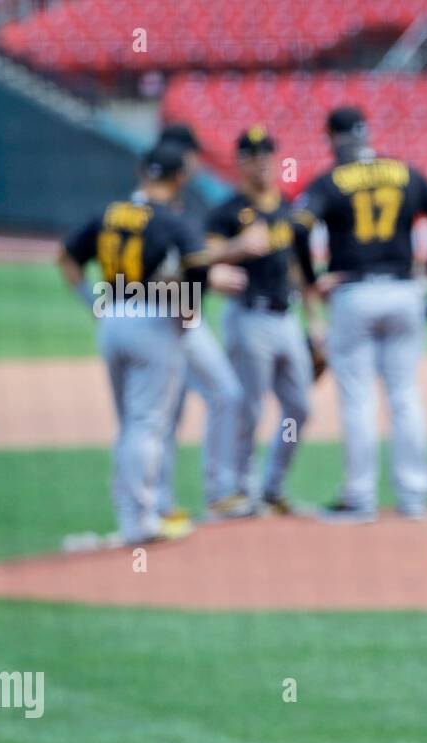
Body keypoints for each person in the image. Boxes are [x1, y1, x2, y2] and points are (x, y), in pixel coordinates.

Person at [57, 143, 248, 545]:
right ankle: (143, 519)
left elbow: (67, 257)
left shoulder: (110, 212)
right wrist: (187, 312)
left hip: (112, 317)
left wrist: (92, 302)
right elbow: (197, 267)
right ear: (180, 177)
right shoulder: (171, 220)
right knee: (148, 424)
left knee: (130, 424)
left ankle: (130, 515)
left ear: (144, 173)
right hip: (153, 322)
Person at [292, 106, 427, 521]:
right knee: (405, 395)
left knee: (357, 399)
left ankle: (361, 498)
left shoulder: (331, 179)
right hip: (404, 291)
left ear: (334, 137)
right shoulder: (404, 172)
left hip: (353, 291)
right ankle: (413, 497)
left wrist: (316, 278)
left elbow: (296, 228)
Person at [152, 122, 264, 526]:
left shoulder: (177, 202)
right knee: (197, 402)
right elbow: (152, 270)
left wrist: (207, 272)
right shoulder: (159, 207)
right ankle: (175, 502)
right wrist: (219, 267)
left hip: (180, 315)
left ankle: (196, 497)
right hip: (165, 317)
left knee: (197, 402)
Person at [205, 126, 313, 514]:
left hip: (286, 318)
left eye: (267, 153)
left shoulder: (288, 206)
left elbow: (301, 267)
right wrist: (239, 247)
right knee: (249, 408)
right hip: (248, 317)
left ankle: (273, 487)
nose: (262, 161)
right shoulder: (227, 211)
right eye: (252, 155)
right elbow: (206, 263)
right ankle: (240, 490)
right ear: (239, 162)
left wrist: (314, 321)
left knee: (299, 407)